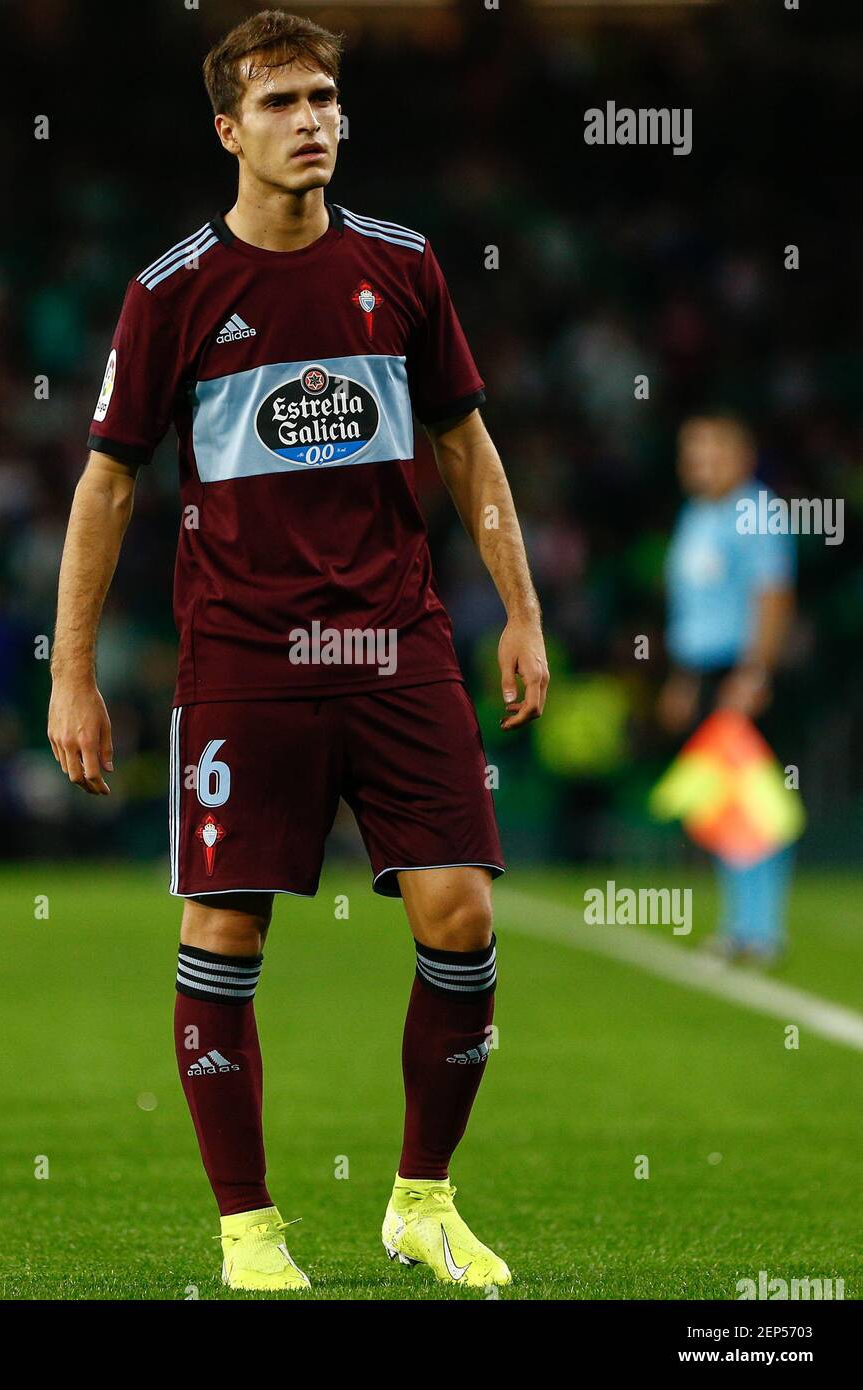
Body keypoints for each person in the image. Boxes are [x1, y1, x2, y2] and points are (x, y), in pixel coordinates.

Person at [48, 8, 548, 1291]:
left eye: (324, 97)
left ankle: (421, 1201)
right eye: (280, 103)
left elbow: (464, 444)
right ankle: (249, 1230)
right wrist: (71, 672)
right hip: (242, 660)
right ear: (229, 129)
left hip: (398, 645)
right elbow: (106, 485)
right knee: (223, 934)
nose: (312, 119)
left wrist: (521, 607)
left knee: (462, 910)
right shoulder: (171, 291)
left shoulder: (403, 265)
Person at [659, 414, 796, 965]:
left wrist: (755, 673)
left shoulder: (755, 511)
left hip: (741, 673)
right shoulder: (697, 513)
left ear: (742, 456)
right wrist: (683, 680)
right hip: (705, 673)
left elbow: (773, 596)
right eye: (690, 451)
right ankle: (740, 925)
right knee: (719, 804)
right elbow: (696, 608)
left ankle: (760, 929)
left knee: (754, 803)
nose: (698, 462)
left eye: (710, 450)